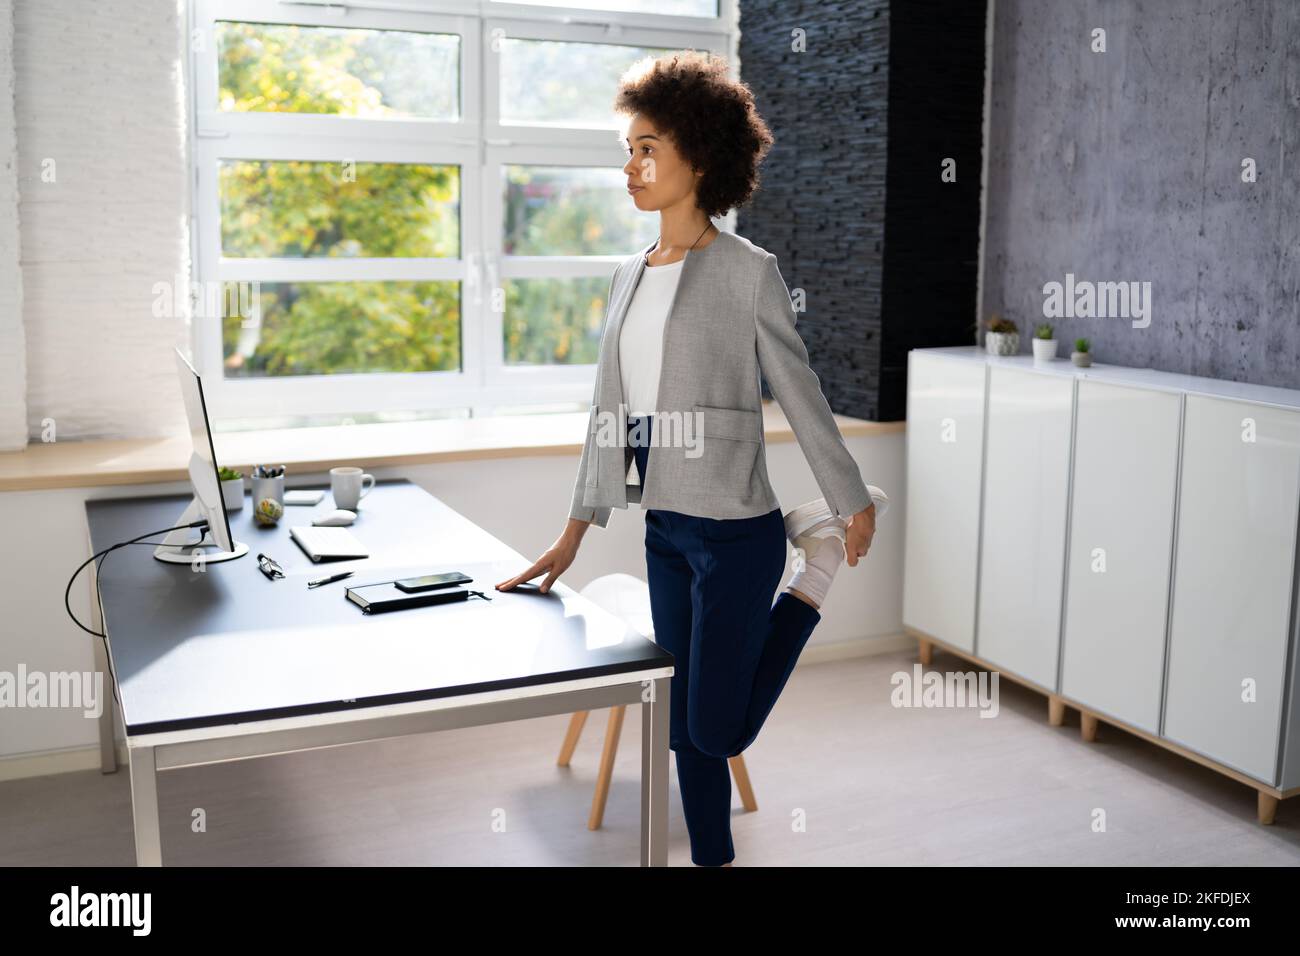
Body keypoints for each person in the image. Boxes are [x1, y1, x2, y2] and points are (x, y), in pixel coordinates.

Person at [497, 51, 888, 867]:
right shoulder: (626, 277)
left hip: (738, 535)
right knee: (683, 733)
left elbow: (800, 389)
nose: (632, 167)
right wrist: (571, 536)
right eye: (628, 150)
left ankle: (813, 566)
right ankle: (714, 859)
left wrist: (851, 497)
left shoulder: (749, 274)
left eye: (649, 149)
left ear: (701, 157)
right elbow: (610, 418)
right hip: (666, 530)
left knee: (717, 728)